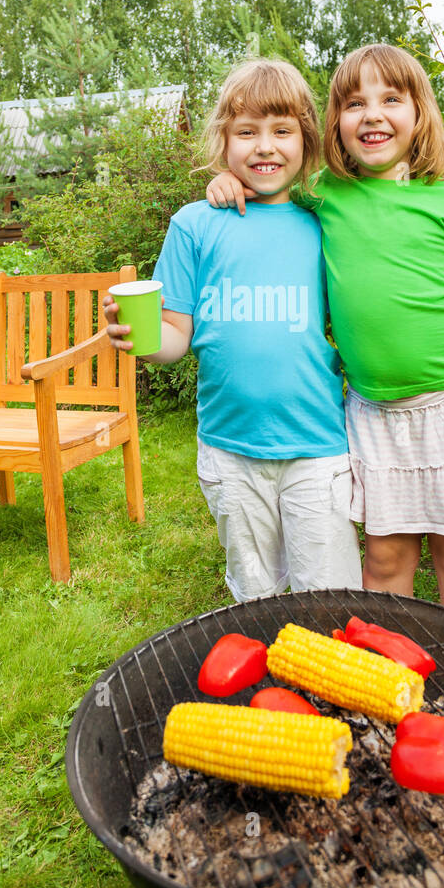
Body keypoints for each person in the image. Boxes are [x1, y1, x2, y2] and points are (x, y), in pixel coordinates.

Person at [206, 43, 444, 618]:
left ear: (419, 112)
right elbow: (266, 174)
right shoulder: (323, 194)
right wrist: (227, 180)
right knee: (386, 561)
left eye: (390, 98)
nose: (371, 114)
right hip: (375, 416)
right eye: (353, 103)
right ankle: (387, 677)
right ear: (336, 125)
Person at [103, 57, 364, 603]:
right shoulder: (194, 225)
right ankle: (267, 686)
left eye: (281, 131)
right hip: (230, 449)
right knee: (256, 594)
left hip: (316, 445)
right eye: (247, 132)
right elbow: (176, 334)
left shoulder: (326, 219)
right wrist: (142, 343)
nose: (264, 147)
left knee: (330, 593)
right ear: (223, 142)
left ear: (308, 141)